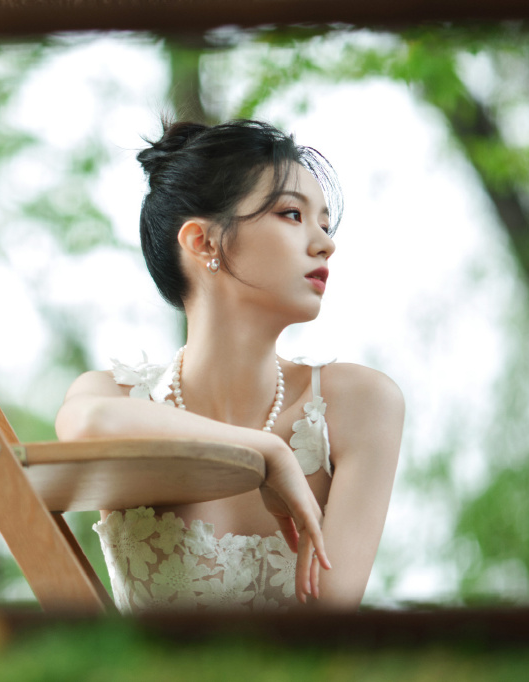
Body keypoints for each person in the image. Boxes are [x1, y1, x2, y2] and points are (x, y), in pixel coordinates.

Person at [55, 120, 404, 612]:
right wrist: (266, 453)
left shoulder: (358, 404)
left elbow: (326, 637)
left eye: (324, 223)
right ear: (202, 242)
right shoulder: (114, 396)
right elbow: (83, 426)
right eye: (291, 214)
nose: (325, 243)